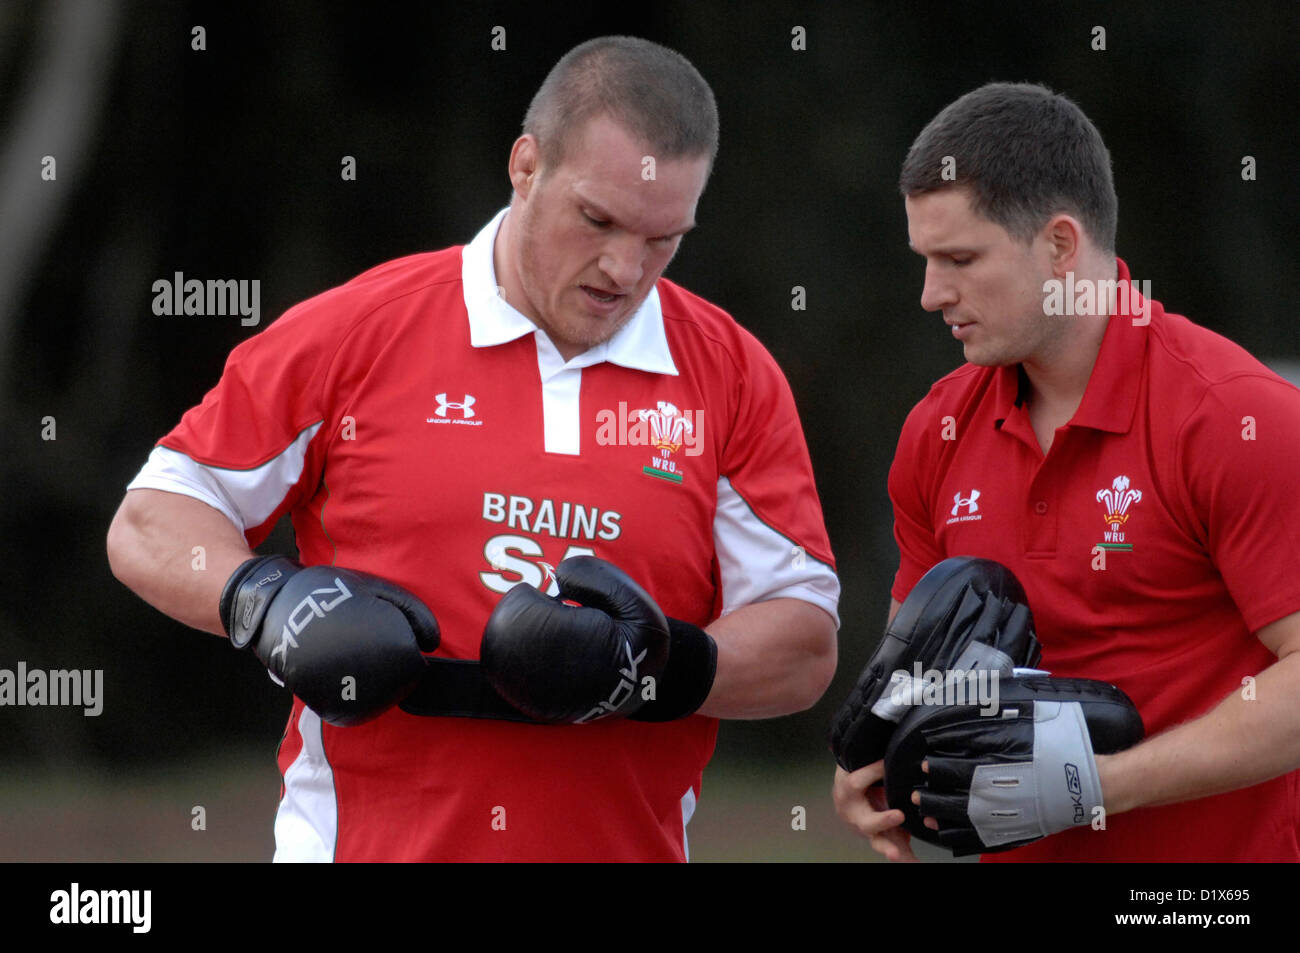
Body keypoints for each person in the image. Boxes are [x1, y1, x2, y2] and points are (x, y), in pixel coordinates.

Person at [107, 36, 839, 862]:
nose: (624, 268)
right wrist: (267, 601)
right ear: (526, 166)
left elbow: (804, 643)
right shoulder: (360, 332)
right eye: (597, 220)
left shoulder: (731, 375)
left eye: (663, 238)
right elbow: (153, 516)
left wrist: (655, 669)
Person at [832, 82, 1300, 862]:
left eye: (960, 259)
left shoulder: (1236, 417)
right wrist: (874, 764)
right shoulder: (936, 429)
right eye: (925, 260)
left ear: (1059, 245)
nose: (931, 294)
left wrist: (1099, 784)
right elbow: (917, 671)